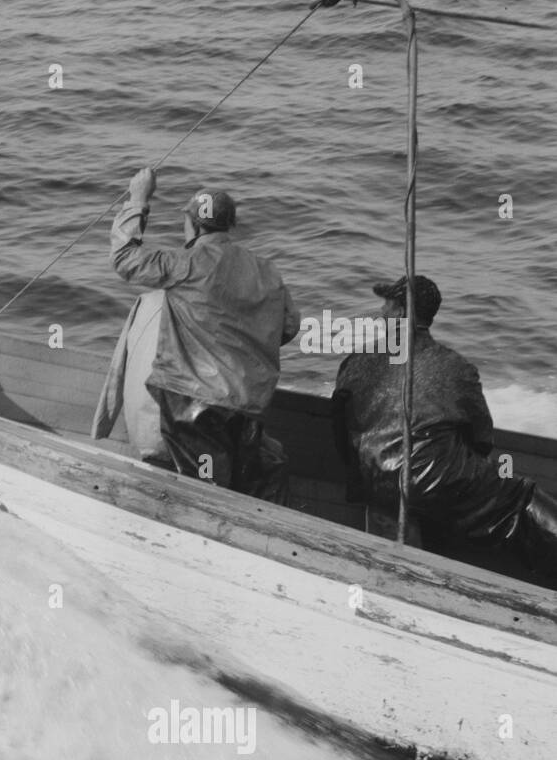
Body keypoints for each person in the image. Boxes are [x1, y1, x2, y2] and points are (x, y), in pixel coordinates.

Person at [331, 274, 557, 582]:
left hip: (374, 483)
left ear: (400, 312)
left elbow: (340, 431)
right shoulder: (456, 367)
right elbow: (482, 439)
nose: (381, 312)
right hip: (433, 483)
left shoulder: (355, 362)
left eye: (386, 304)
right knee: (520, 496)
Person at [111, 167, 299, 503]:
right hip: (246, 406)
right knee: (244, 481)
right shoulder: (267, 271)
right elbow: (288, 327)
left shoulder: (185, 262)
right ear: (231, 225)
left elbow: (126, 260)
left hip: (195, 410)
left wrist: (138, 199)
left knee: (206, 485)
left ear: (193, 226)